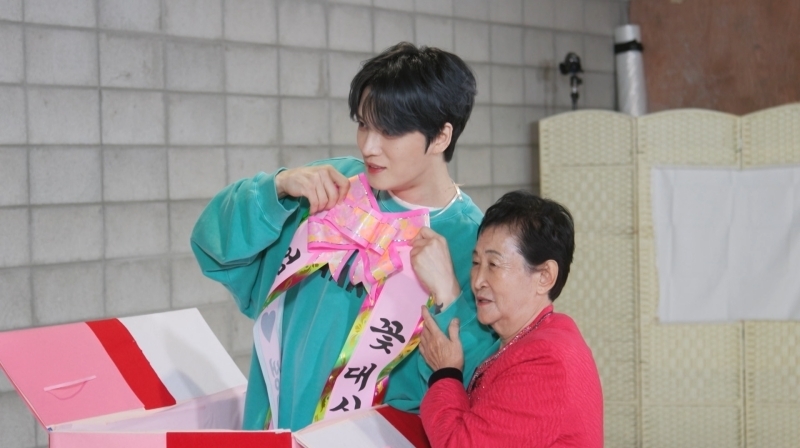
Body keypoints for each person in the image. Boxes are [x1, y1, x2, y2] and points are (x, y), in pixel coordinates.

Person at [191, 42, 498, 431]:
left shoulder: (476, 244)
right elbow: (213, 246)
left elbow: (477, 390)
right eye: (364, 124)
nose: (369, 146)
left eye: (389, 130)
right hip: (273, 431)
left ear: (440, 136)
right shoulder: (331, 186)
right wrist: (277, 188)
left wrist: (449, 298)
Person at [417, 191, 604, 447]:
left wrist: (445, 373)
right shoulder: (536, 338)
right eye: (476, 262)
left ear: (544, 276)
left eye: (493, 265)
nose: (478, 281)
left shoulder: (547, 362)